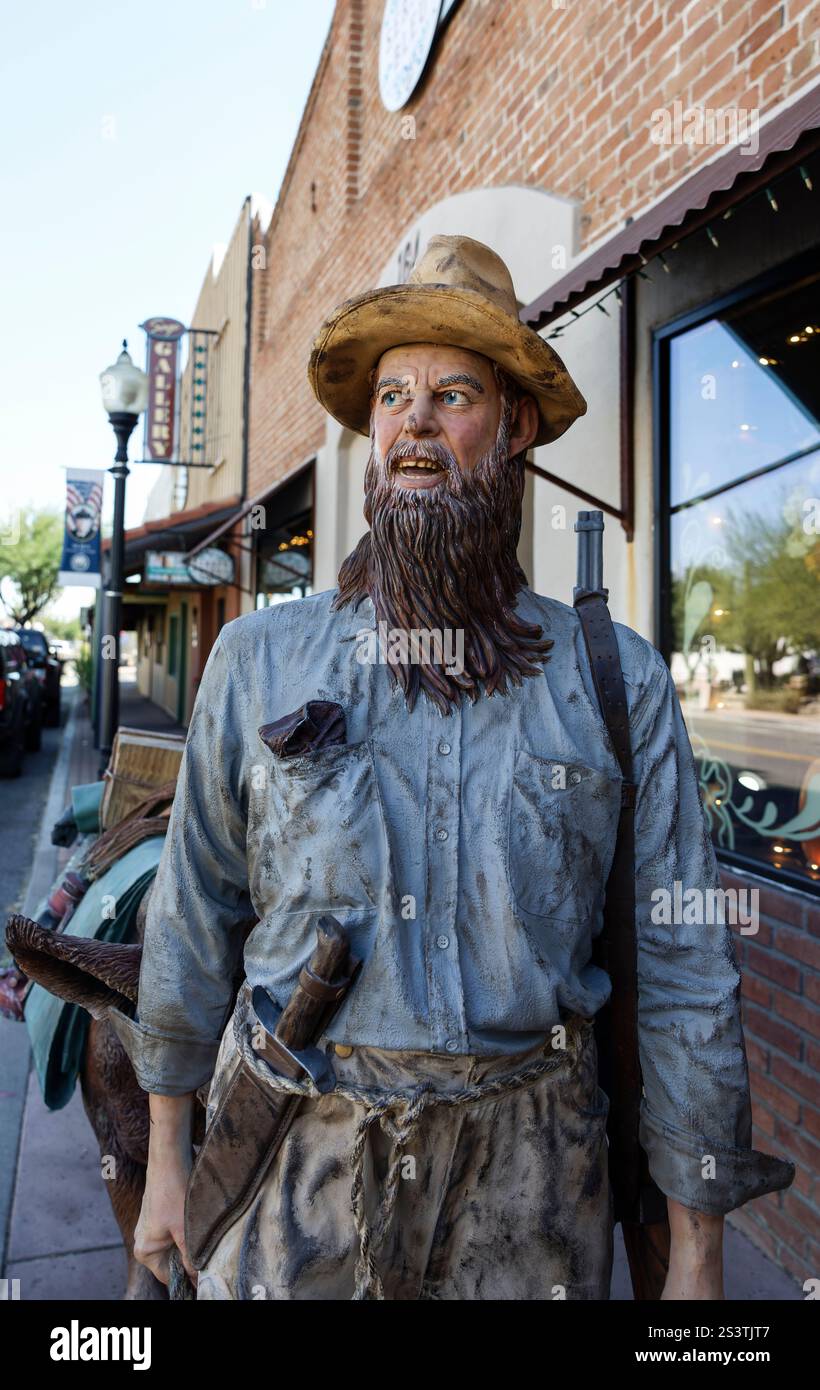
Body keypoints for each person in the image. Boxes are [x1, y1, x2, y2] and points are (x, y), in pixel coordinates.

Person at [110, 235, 793, 1300]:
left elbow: (683, 966)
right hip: (297, 1166)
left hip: (529, 1188)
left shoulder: (613, 681)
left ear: (513, 426)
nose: (414, 420)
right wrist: (164, 1162)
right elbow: (192, 918)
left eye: (452, 392)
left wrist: (696, 1253)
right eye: (391, 395)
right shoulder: (258, 658)